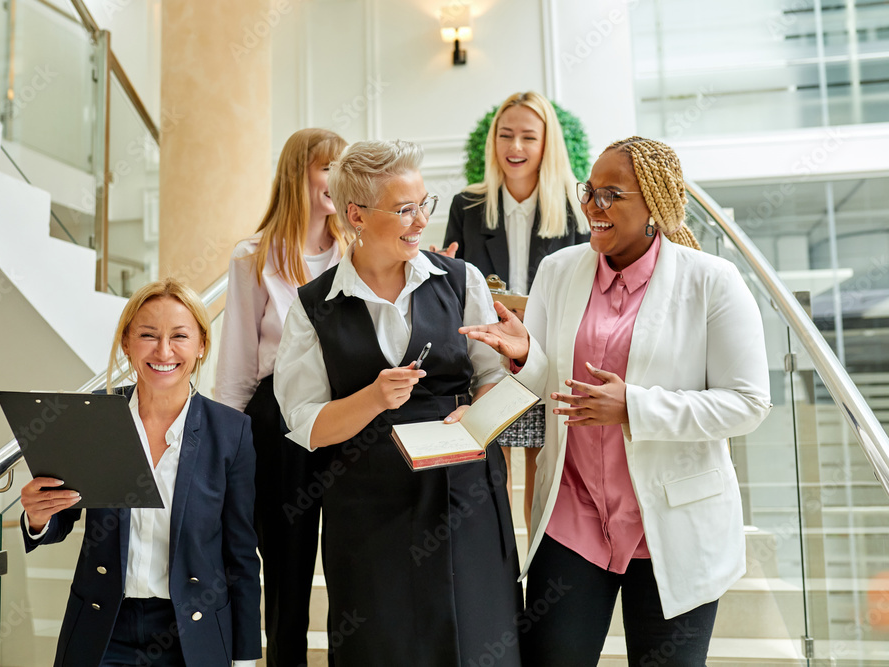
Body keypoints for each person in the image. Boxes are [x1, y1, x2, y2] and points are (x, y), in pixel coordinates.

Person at [460, 137, 771, 666]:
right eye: (590, 191)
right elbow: (543, 385)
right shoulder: (560, 271)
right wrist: (524, 356)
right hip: (573, 516)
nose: (592, 207)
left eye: (611, 195)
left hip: (670, 524)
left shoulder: (711, 282)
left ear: (654, 204)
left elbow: (748, 402)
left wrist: (634, 407)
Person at [274, 139, 523, 666]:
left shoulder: (461, 281)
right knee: (378, 647)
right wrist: (372, 397)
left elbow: (496, 379)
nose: (421, 222)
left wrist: (476, 417)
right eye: (405, 209)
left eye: (425, 205)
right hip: (367, 509)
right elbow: (306, 424)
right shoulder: (313, 306)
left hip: (464, 495)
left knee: (476, 642)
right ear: (356, 215)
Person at [20, 278, 261, 667]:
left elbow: (242, 556)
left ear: (201, 345)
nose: (163, 350)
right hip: (103, 627)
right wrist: (38, 515)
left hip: (192, 634)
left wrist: (246, 657)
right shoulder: (94, 416)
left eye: (179, 336)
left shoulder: (231, 432)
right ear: (128, 343)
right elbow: (61, 516)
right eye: (148, 335)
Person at [215, 127, 347, 667]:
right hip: (278, 419)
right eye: (326, 168)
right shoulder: (254, 256)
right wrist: (220, 450)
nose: (336, 181)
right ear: (300, 174)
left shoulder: (356, 253)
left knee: (349, 563)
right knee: (287, 570)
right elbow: (237, 363)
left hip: (347, 412)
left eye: (343, 169)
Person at [433, 91, 590, 526]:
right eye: (505, 135)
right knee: (490, 471)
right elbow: (457, 283)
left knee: (543, 473)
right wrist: (436, 266)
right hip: (488, 358)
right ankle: (500, 576)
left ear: (547, 144)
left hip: (547, 353)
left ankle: (537, 574)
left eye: (527, 137)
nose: (514, 147)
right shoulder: (468, 204)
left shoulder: (575, 208)